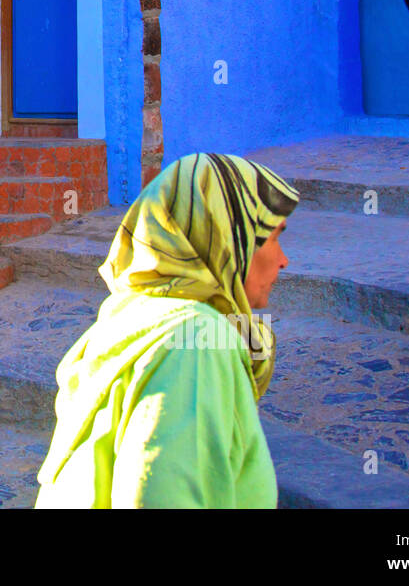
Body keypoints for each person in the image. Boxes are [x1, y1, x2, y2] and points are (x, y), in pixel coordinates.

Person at [35, 153, 299, 509]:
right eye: (273, 238)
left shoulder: (136, 313)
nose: (284, 259)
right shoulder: (195, 343)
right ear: (226, 238)